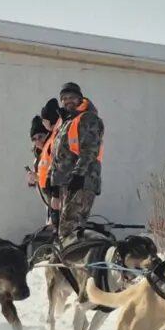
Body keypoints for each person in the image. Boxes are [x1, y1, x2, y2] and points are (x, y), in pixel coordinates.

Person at [45, 82, 103, 236]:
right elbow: (56, 154)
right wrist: (51, 179)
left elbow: (90, 150)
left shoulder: (88, 119)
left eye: (72, 97)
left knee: (70, 228)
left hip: (81, 181)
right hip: (65, 183)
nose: (67, 101)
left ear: (80, 99)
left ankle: (71, 258)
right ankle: (63, 255)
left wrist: (79, 174)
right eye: (64, 98)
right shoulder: (64, 123)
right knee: (61, 228)